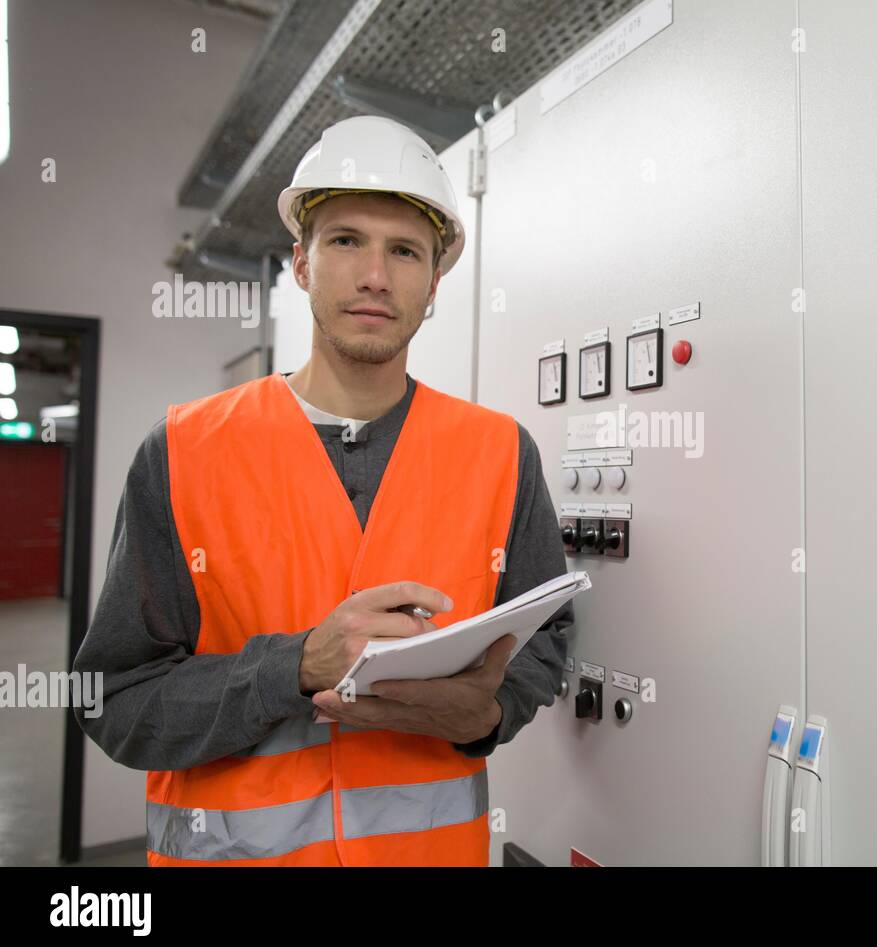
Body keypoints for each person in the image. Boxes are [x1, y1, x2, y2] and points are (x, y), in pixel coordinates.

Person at [73, 115, 572, 866]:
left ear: (435, 282)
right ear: (301, 263)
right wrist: (297, 664)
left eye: (404, 250)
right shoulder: (182, 452)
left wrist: (488, 711)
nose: (375, 275)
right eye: (346, 241)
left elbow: (546, 643)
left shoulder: (500, 453)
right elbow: (116, 703)